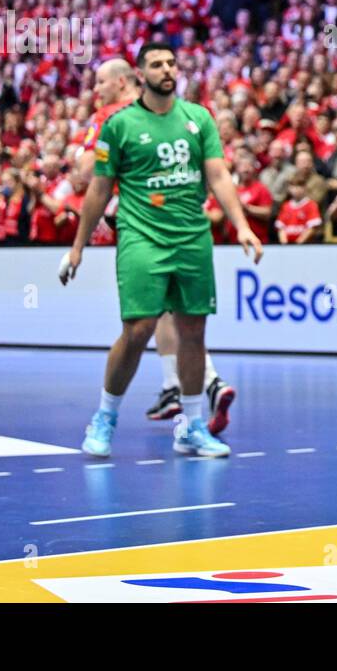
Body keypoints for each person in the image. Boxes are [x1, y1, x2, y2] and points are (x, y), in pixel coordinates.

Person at [61, 43, 263, 458]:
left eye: (172, 62)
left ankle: (190, 427)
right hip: (141, 237)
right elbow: (98, 189)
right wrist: (78, 247)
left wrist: (242, 225)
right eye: (157, 64)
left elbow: (219, 176)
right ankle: (104, 417)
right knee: (138, 330)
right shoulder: (118, 124)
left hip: (191, 236)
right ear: (140, 75)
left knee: (193, 331)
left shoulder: (198, 117)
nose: (167, 69)